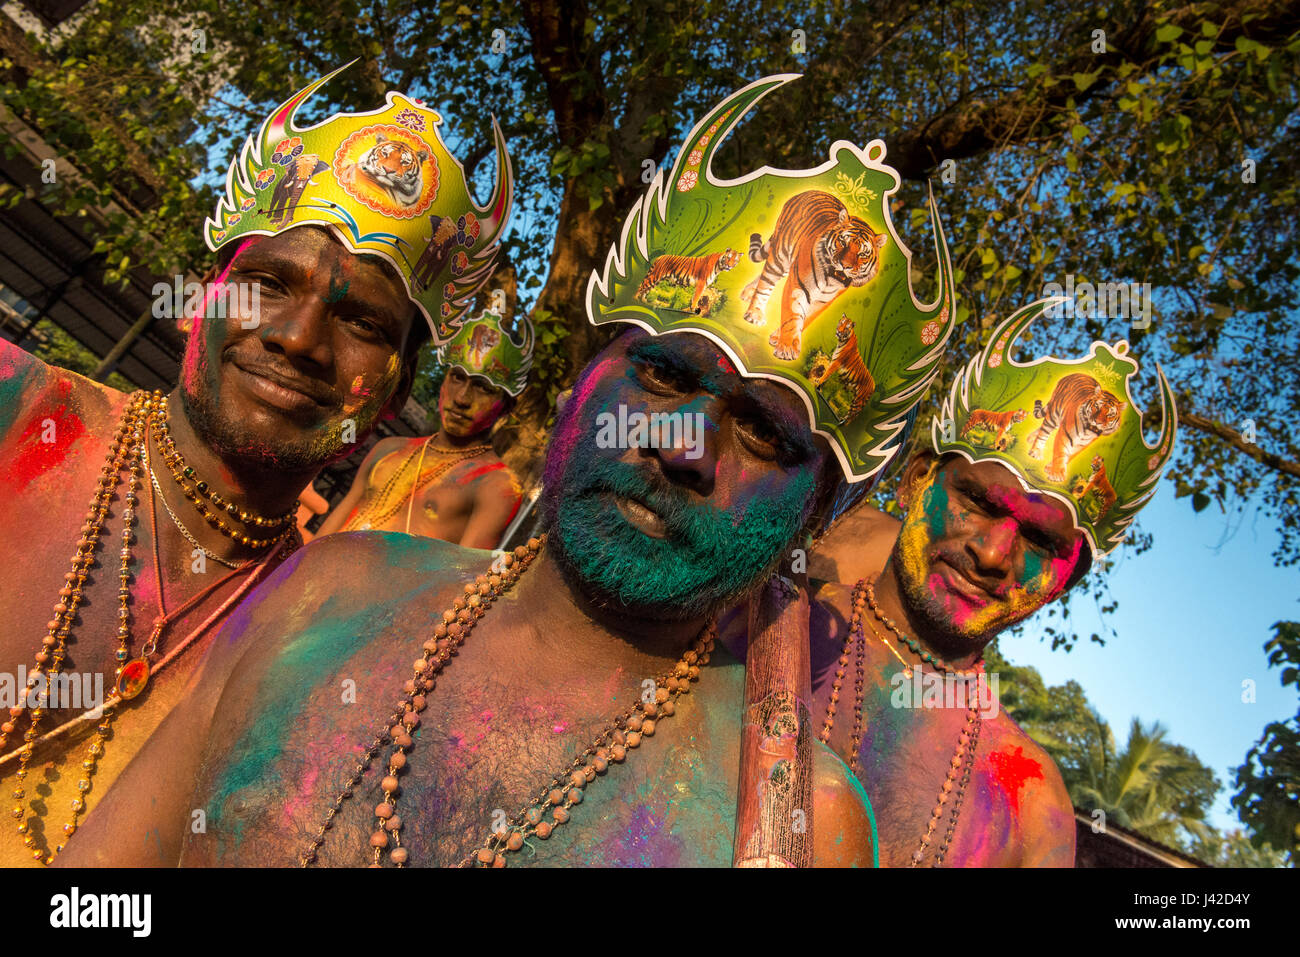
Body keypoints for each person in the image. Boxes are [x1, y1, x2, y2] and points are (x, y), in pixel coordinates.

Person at [63, 74, 958, 867]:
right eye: (663, 374)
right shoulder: (331, 591)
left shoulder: (801, 825)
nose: (685, 445)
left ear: (813, 515)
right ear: (581, 384)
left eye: (762, 433)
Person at [0, 63, 513, 865]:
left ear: (392, 390)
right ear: (202, 300)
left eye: (362, 323)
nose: (299, 337)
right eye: (268, 284)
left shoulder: (309, 657)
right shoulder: (16, 412)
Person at [805, 300, 1179, 866]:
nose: (991, 553)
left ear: (1063, 582)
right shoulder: (762, 615)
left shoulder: (1031, 806)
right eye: (977, 502)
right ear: (914, 482)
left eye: (1040, 542)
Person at [317, 311, 530, 547]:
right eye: (458, 378)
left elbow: (463, 580)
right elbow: (327, 532)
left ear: (506, 406)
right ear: (445, 379)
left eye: (483, 388)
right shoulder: (388, 450)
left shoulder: (496, 485)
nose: (462, 398)